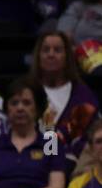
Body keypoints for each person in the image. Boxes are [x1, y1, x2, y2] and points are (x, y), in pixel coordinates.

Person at [0, 79, 69, 188]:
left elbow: (57, 187)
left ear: (37, 109)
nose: (20, 108)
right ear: (7, 110)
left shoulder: (49, 143)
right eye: (14, 103)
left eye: (26, 103)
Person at [29, 30, 98, 159]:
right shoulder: (25, 92)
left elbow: (76, 139)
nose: (51, 54)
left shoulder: (84, 97)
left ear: (67, 57)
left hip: (71, 166)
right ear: (38, 56)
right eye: (46, 50)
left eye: (57, 50)